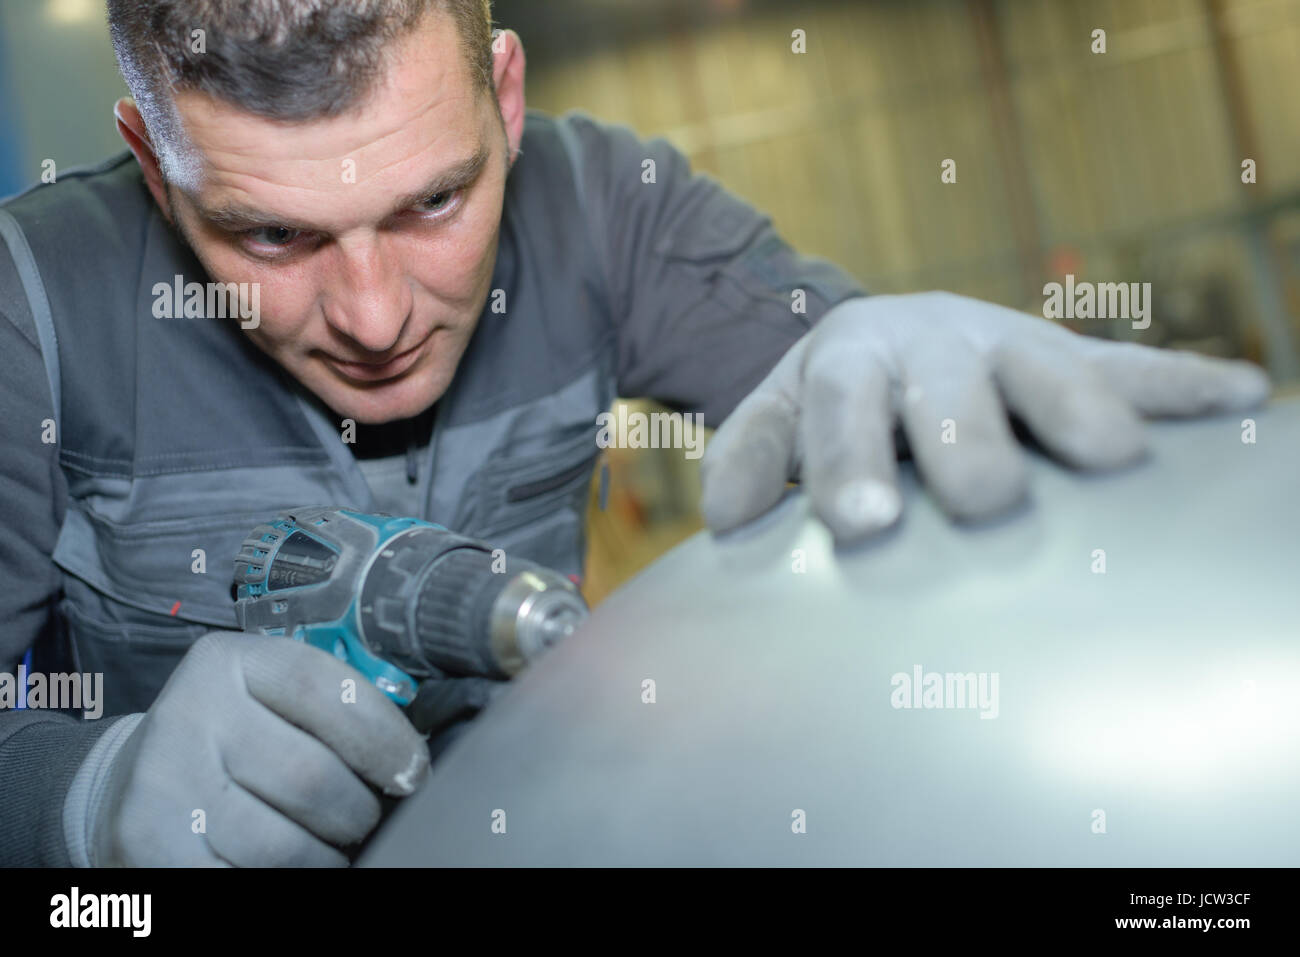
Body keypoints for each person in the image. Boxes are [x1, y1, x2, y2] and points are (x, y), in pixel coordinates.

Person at [0, 0, 1268, 866]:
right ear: (155, 170)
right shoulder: (32, 306)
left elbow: (841, 375)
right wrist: (83, 803)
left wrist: (881, 352)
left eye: (437, 199)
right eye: (270, 236)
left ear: (503, 98)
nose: (377, 316)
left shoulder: (609, 210)